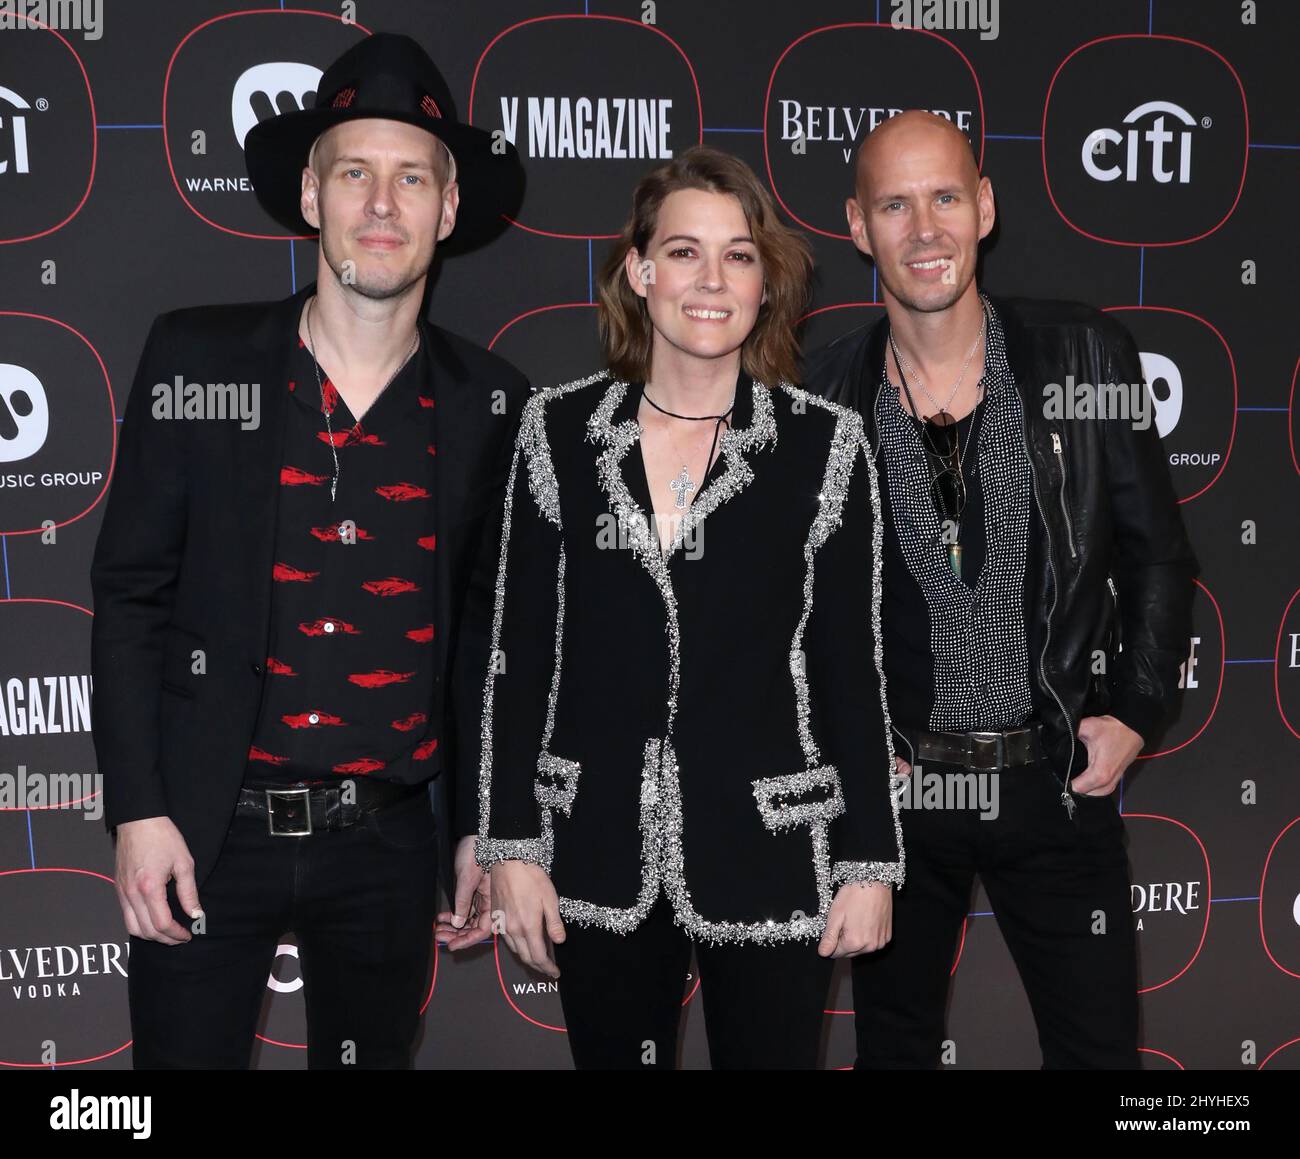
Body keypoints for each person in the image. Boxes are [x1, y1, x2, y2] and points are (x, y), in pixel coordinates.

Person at [89, 33, 528, 1068]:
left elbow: (481, 639)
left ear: (448, 209)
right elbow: (129, 595)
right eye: (356, 173)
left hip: (386, 844)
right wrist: (139, 810)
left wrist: (477, 827)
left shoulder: (492, 403)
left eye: (412, 176)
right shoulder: (196, 358)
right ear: (309, 197)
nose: (383, 203)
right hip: (206, 832)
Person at [468, 146, 903, 1070]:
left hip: (774, 845)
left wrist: (868, 861)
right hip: (595, 848)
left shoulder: (825, 446)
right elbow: (520, 655)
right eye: (684, 251)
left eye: (738, 255)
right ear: (639, 269)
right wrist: (512, 843)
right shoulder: (556, 430)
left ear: (765, 282)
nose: (711, 280)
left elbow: (848, 671)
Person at [802, 110, 1198, 1069]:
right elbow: (795, 605)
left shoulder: (1086, 356)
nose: (925, 228)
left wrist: (1137, 709)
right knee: (892, 1051)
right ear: (858, 226)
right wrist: (850, 754)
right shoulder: (822, 397)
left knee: (1100, 1052)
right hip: (899, 799)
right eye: (895, 204)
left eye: (945, 197)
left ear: (984, 206)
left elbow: (1158, 552)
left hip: (1051, 782)